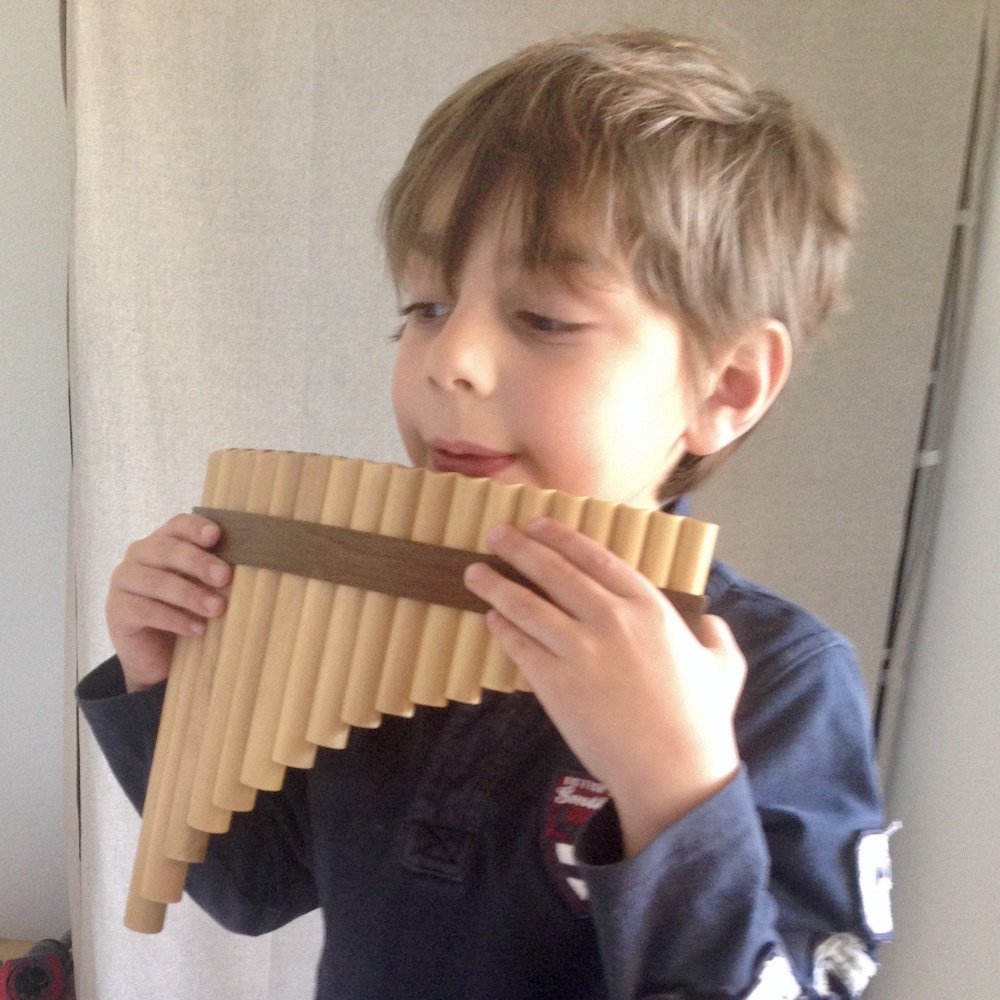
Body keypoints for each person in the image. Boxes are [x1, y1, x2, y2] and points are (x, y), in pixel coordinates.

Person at [77, 30, 893, 1000]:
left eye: (542, 317)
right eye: (422, 307)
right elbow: (253, 885)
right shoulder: (361, 629)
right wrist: (161, 678)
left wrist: (677, 788)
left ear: (724, 383)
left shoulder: (783, 679)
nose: (449, 357)